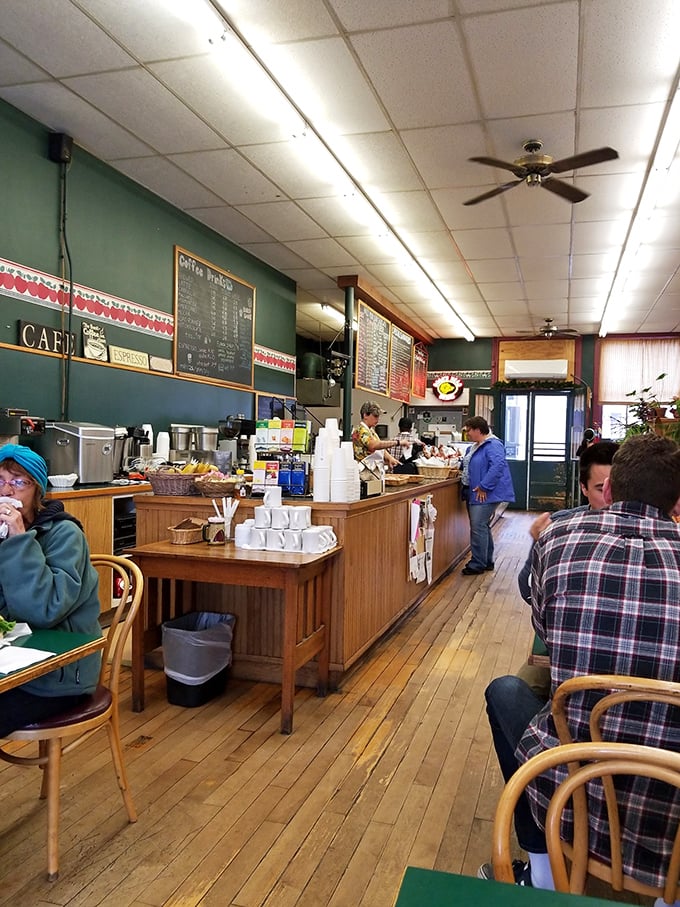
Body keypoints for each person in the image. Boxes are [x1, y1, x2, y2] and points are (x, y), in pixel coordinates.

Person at [480, 434, 680, 894]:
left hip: (570, 783)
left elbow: (550, 635)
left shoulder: (561, 537)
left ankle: (545, 874)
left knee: (507, 692)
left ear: (608, 491)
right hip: (668, 808)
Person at [0, 444, 102, 738]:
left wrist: (18, 541)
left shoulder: (64, 534)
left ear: (38, 492)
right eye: (1, 481)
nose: (8, 492)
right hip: (13, 662)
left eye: (19, 482)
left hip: (59, 676)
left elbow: (44, 609)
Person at [460, 416, 515, 575]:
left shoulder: (493, 445)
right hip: (478, 491)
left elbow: (497, 466)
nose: (467, 433)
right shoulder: (476, 446)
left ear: (478, 430)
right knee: (482, 526)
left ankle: (477, 563)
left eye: (469, 430)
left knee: (477, 526)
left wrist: (484, 486)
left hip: (485, 493)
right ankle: (486, 560)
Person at [351, 401, 399, 468]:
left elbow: (380, 448)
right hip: (365, 470)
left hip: (372, 468)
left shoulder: (370, 430)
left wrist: (389, 458)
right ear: (365, 415)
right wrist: (397, 442)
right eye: (375, 416)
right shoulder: (361, 431)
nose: (378, 419)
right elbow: (374, 445)